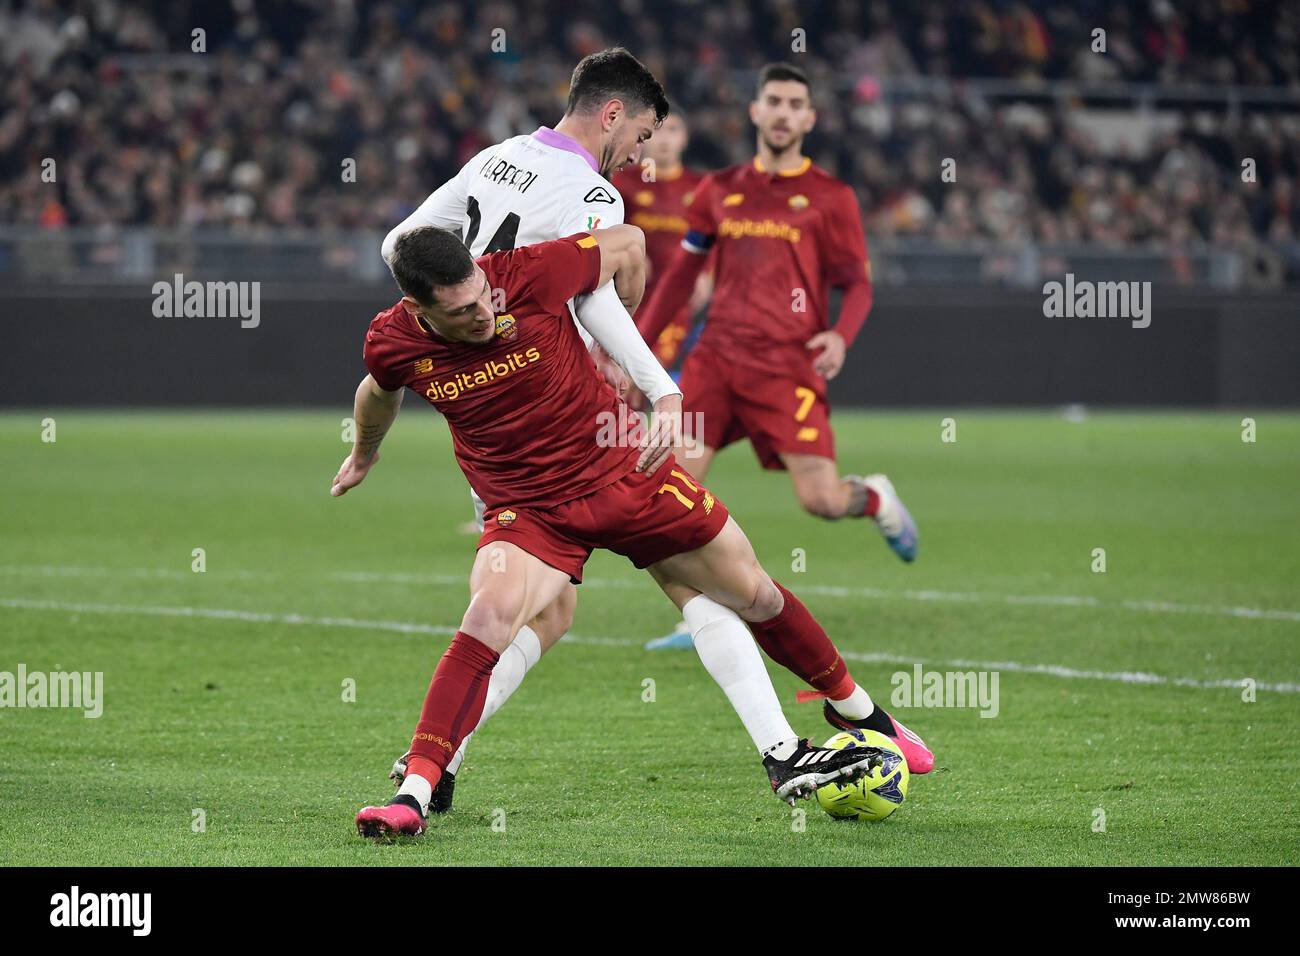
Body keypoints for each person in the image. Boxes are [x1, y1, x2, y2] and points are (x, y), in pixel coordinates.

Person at [340, 225, 909, 837]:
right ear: (419, 309)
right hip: (528, 510)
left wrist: (619, 348)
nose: (483, 314)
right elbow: (378, 391)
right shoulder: (392, 341)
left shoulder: (530, 271)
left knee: (758, 595)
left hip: (624, 471)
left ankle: (863, 714)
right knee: (488, 616)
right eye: (460, 312)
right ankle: (414, 793)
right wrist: (366, 452)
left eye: (482, 296)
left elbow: (629, 244)